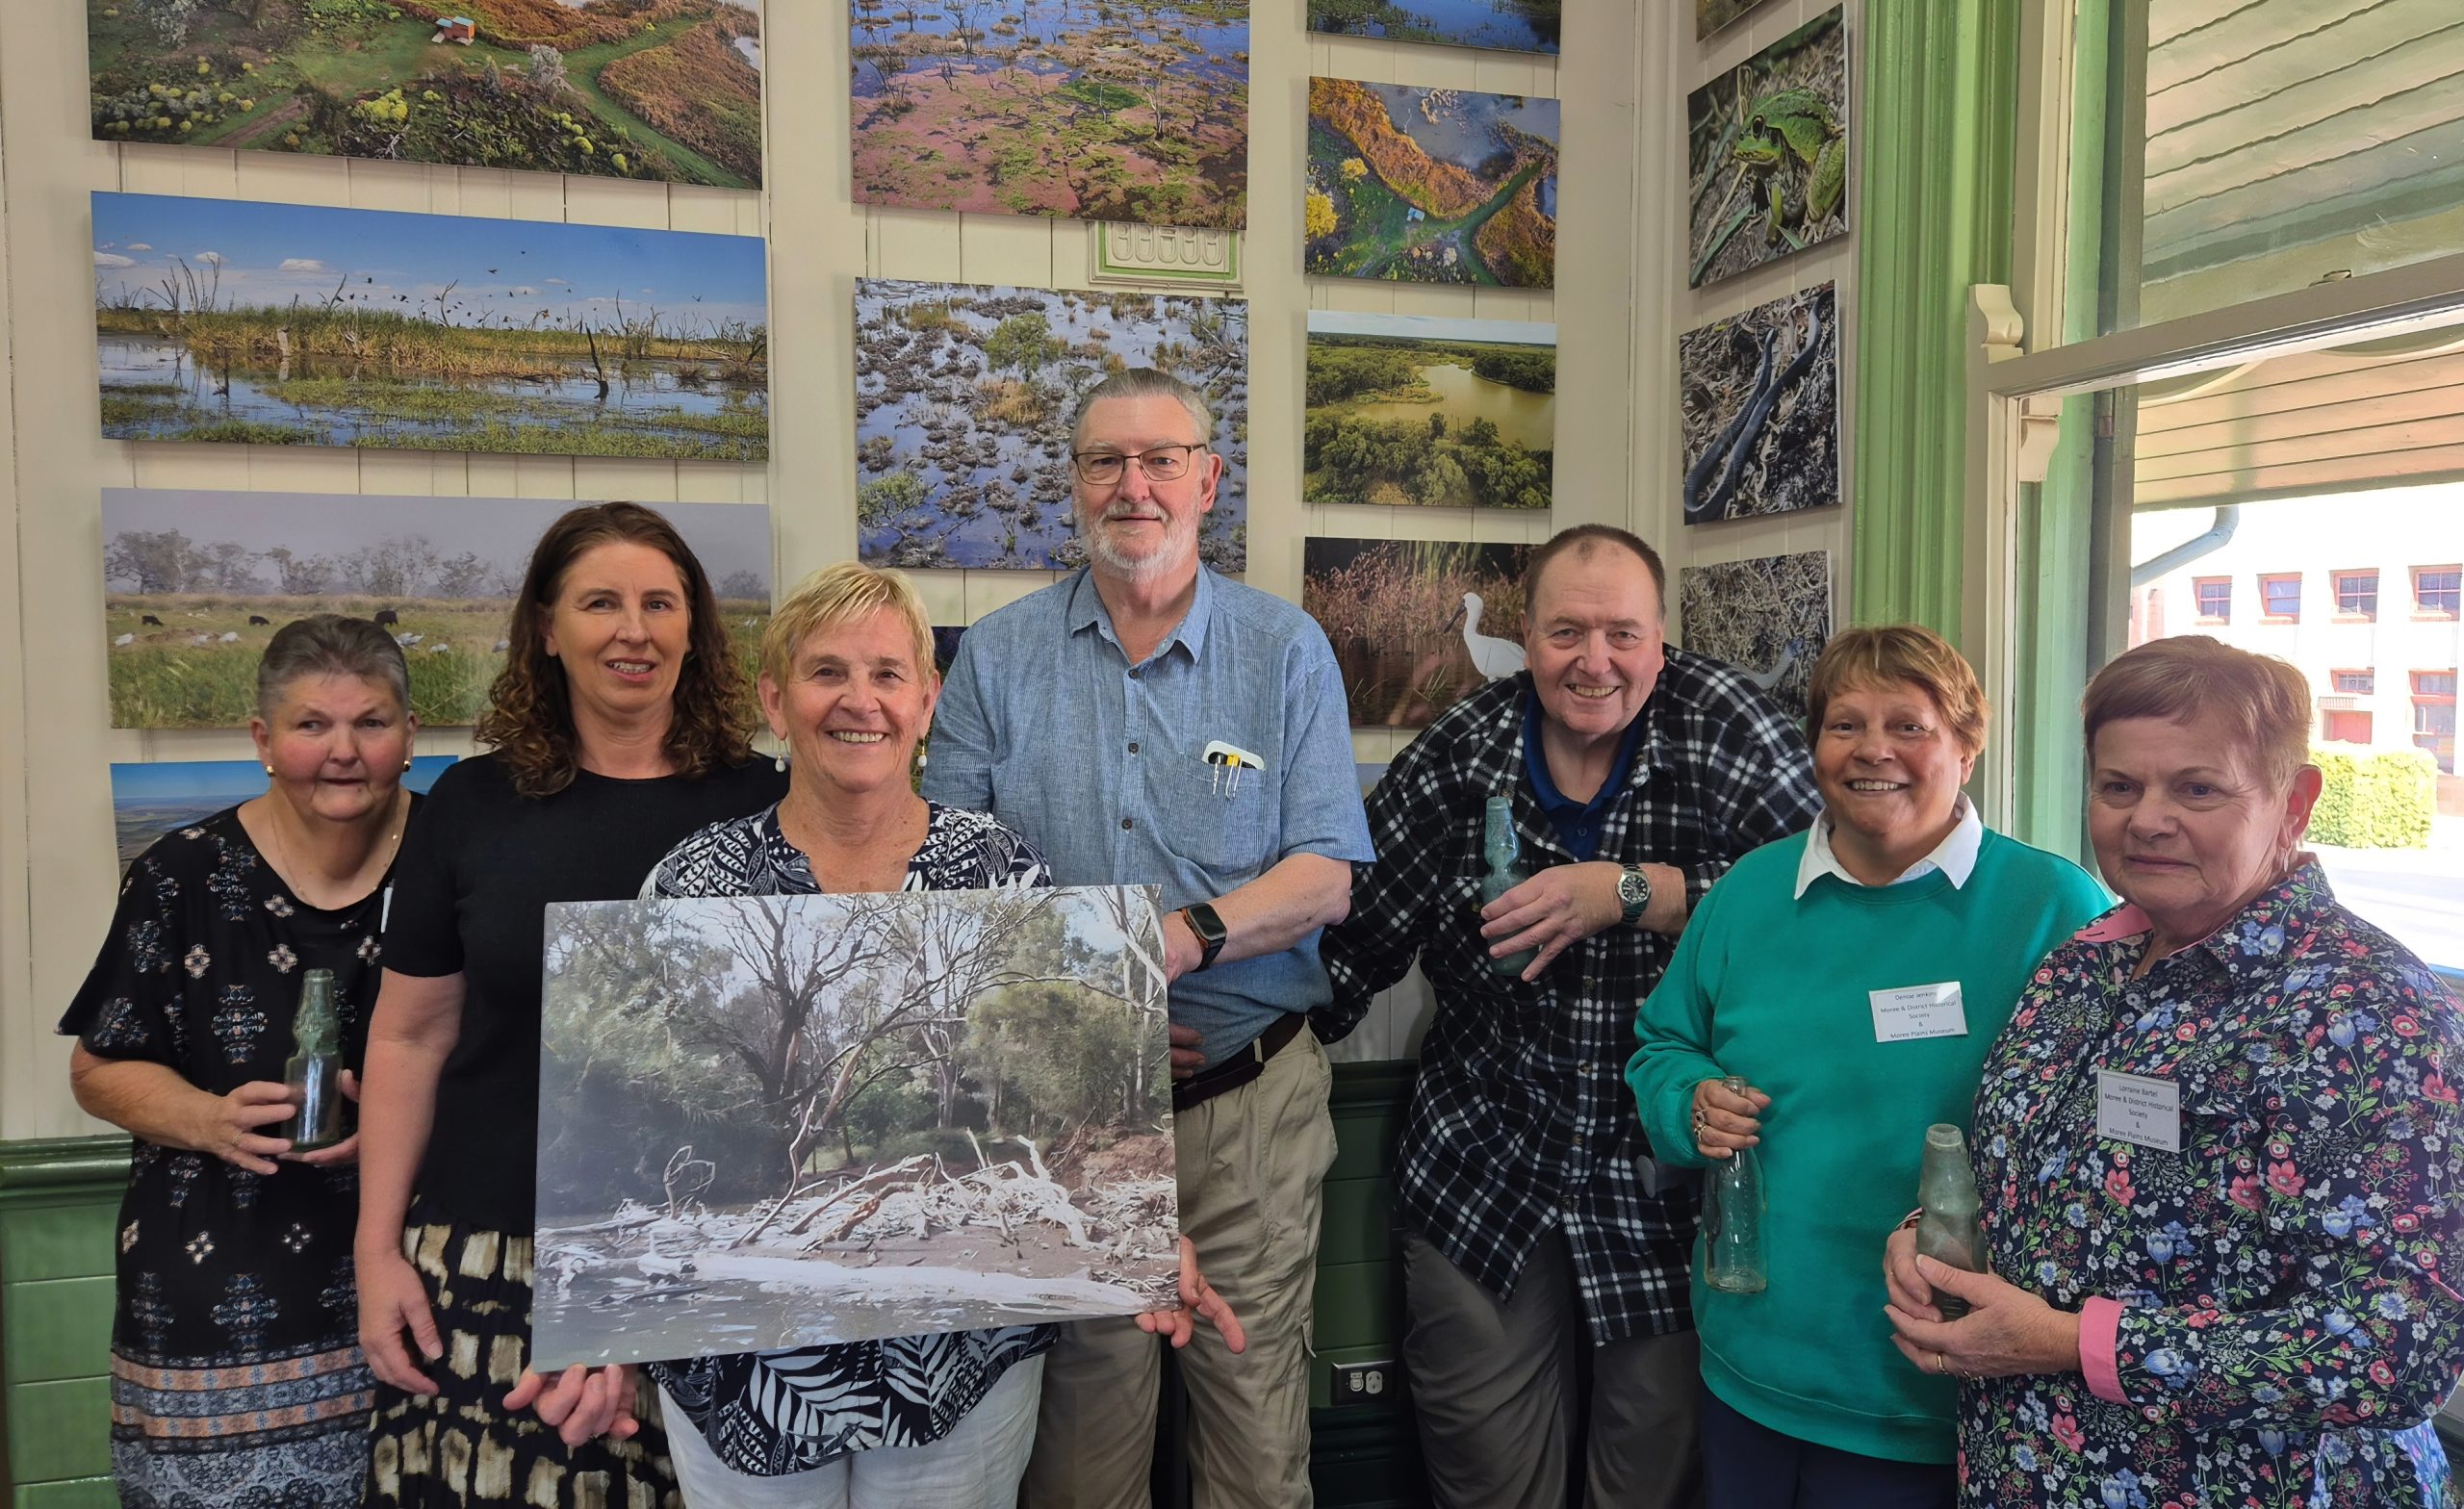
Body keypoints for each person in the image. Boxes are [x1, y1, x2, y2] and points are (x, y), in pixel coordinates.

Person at [638, 560, 1243, 1508]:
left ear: (927, 699)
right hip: (749, 1365)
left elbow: (1066, 1106)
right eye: (825, 671)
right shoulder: (693, 883)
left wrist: (1142, 1234)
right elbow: (641, 1115)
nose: (858, 700)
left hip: (958, 1353)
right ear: (773, 697)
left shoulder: (1002, 872)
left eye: (886, 673)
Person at [925, 367, 1373, 1508]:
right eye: (1104, 461)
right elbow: (951, 886)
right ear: (1073, 483)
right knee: (1081, 1457)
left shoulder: (1285, 650)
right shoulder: (995, 657)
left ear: (1207, 479)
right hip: (1062, 1118)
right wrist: (1100, 1026)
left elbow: (1325, 876)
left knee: (1256, 1450)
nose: (1133, 485)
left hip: (1246, 1105)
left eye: (1160, 459)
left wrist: (1174, 942)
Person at [1883, 635, 2464, 1507]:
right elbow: (2043, 1173)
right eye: (2120, 787)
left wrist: (2067, 1341)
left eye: (2197, 788)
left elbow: (2394, 1350)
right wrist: (1934, 1235)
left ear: (2293, 800)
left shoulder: (2365, 1012)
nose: (2147, 819)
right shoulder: (2084, 961)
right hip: (2030, 1471)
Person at [1317, 523, 1819, 1509]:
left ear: (1661, 635)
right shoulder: (1462, 749)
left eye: (1622, 634)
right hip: (1482, 1165)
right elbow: (1356, 941)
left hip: (1675, 1175)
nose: (1595, 661)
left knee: (1653, 1474)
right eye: (1566, 633)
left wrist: (1639, 890)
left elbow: (1821, 902)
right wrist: (1221, 1030)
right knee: (1484, 1474)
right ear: (1526, 635)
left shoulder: (1727, 725)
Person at [355, 502, 786, 1507]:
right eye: (600, 602)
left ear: (694, 628)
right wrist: (376, 1248)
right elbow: (409, 1034)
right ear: (547, 629)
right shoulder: (470, 803)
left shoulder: (765, 808)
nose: (632, 629)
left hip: (700, 1260)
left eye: (658, 603)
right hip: (487, 1257)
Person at [1626, 626, 2108, 1508]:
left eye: (1910, 726)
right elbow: (1663, 1042)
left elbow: (2101, 1135)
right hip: (1755, 1351)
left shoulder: (2054, 906)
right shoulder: (1749, 892)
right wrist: (1685, 1100)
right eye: (1845, 725)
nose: (1873, 750)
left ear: (1968, 744)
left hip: (1936, 1378)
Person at [59, 615, 422, 1508]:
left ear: (409, 736)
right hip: (211, 1308)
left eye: (370, 723)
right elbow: (99, 1068)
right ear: (262, 739)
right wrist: (205, 1118)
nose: (343, 751)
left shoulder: (461, 863)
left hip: (425, 1287)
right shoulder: (179, 874)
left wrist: (409, 1111)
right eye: (311, 726)